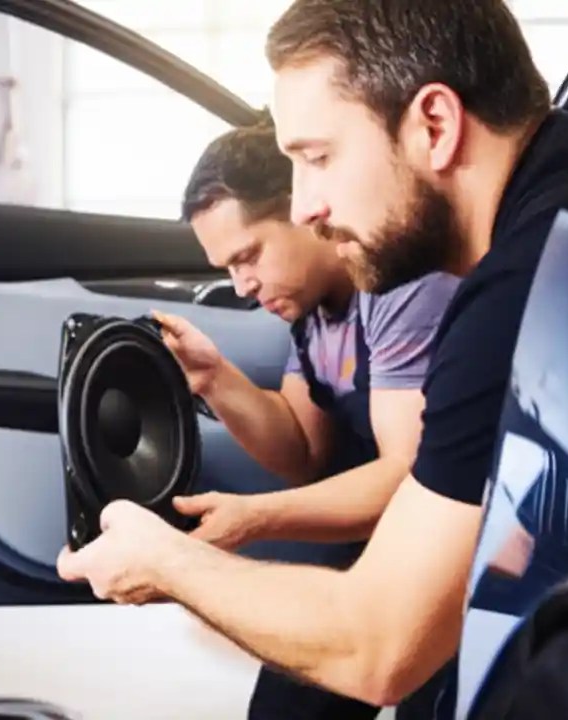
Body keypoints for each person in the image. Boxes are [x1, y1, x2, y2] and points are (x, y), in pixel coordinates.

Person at [56, 0, 568, 716]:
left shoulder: (531, 291)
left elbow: (376, 646)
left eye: (317, 159)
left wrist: (165, 560)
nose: (305, 206)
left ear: (434, 125)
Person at [155, 119, 458, 720]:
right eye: (227, 269)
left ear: (305, 206)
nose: (242, 286)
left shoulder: (396, 288)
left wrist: (251, 520)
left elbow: (408, 474)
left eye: (248, 256)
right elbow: (303, 449)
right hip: (379, 536)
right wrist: (214, 377)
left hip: (455, 534)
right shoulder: (314, 311)